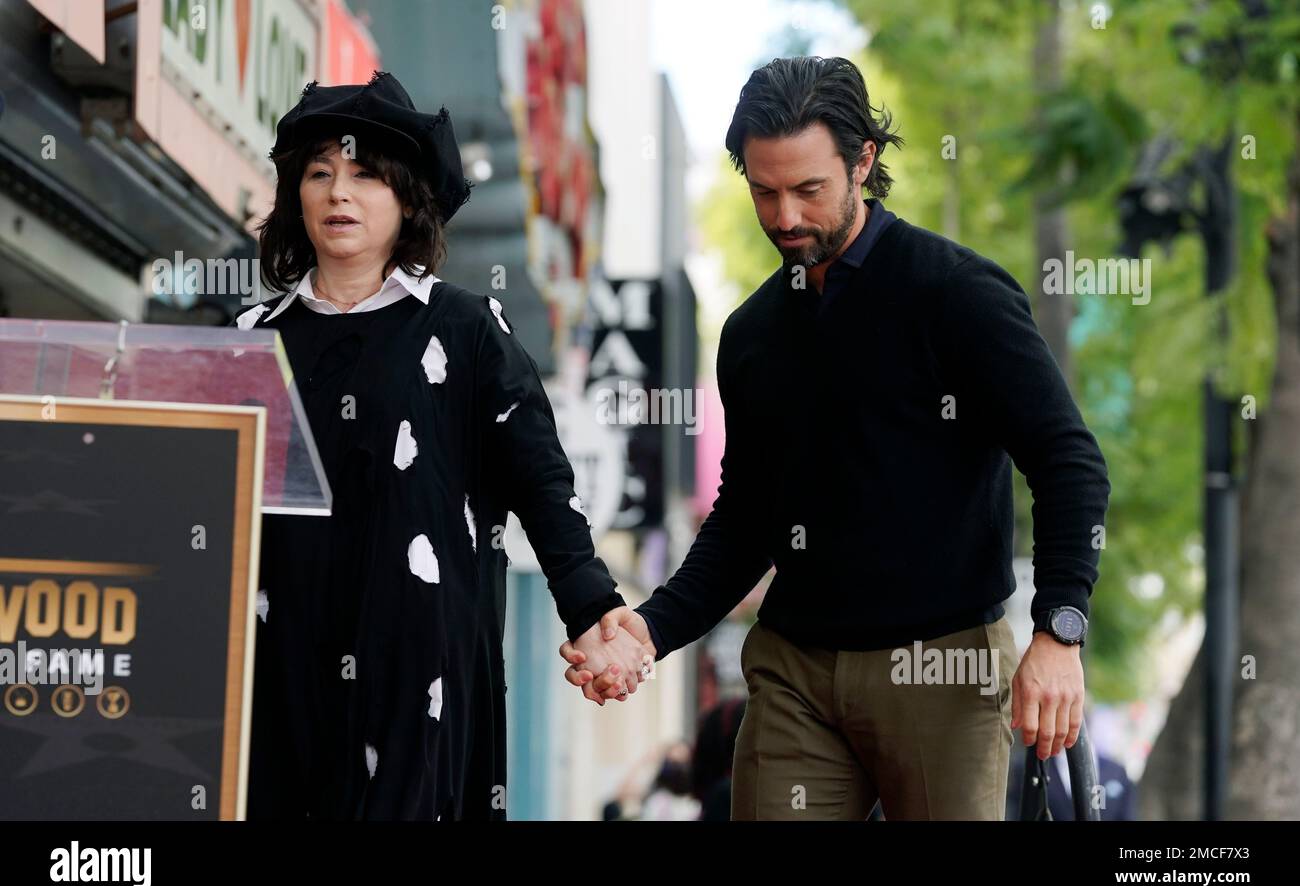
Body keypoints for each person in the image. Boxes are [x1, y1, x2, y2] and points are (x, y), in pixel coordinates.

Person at [562, 56, 1111, 820]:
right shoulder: (752, 334)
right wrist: (648, 629)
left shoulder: (957, 295)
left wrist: (1059, 628)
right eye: (763, 190)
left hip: (941, 665)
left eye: (808, 189)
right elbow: (747, 520)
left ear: (863, 162)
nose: (784, 215)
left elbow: (1068, 460)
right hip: (795, 669)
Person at [232, 72, 651, 820]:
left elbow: (543, 485)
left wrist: (594, 611)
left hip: (418, 659)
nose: (338, 194)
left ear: (407, 198)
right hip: (276, 665)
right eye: (320, 173)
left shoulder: (468, 330)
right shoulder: (250, 340)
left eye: (364, 175)